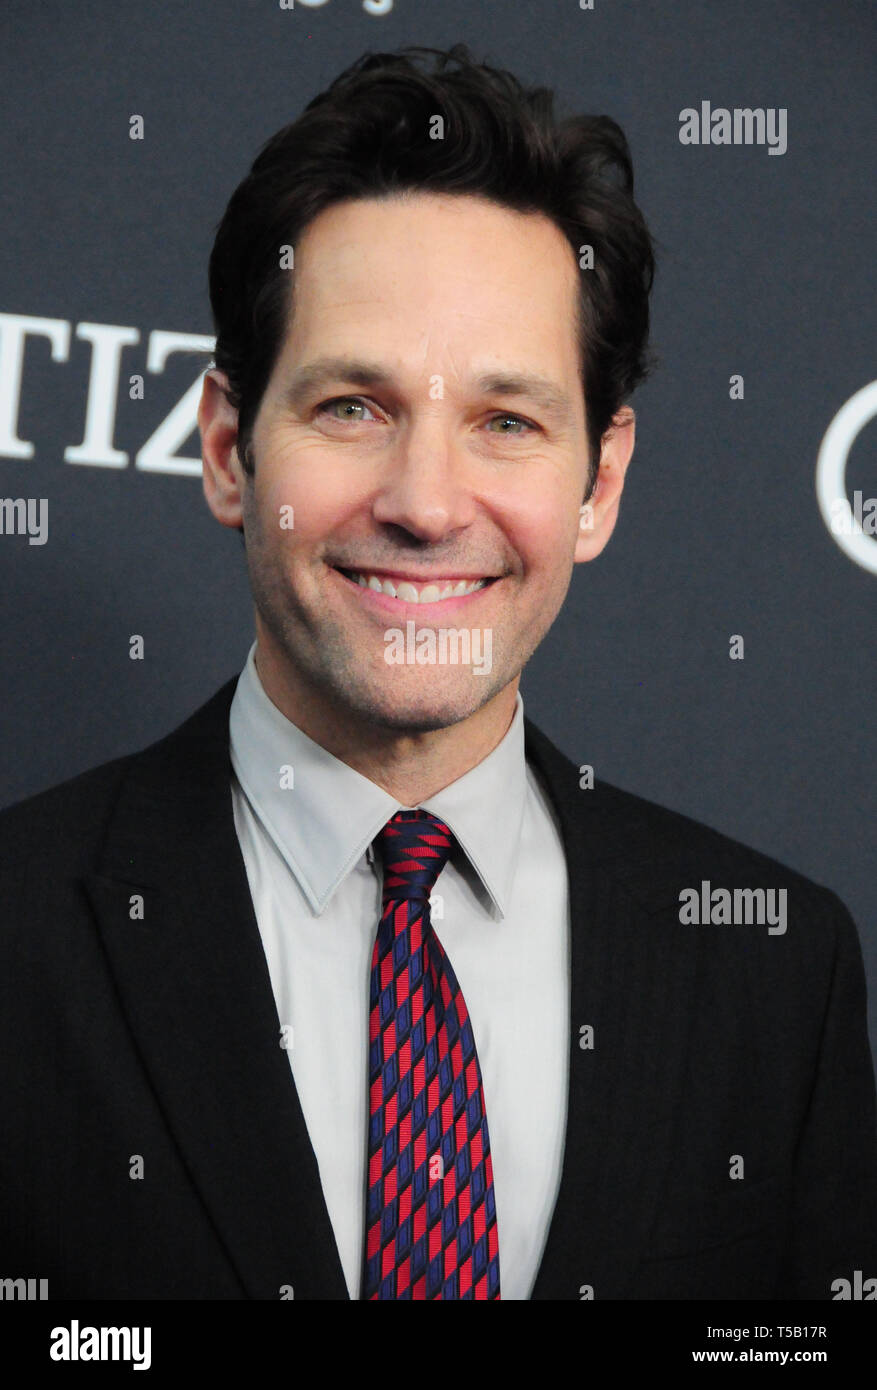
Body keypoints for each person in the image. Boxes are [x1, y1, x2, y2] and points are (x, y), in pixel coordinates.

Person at [1, 44, 875, 1301]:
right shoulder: (16, 938)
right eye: (352, 406)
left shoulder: (774, 972)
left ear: (601, 482)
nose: (422, 503)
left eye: (505, 421)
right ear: (228, 449)